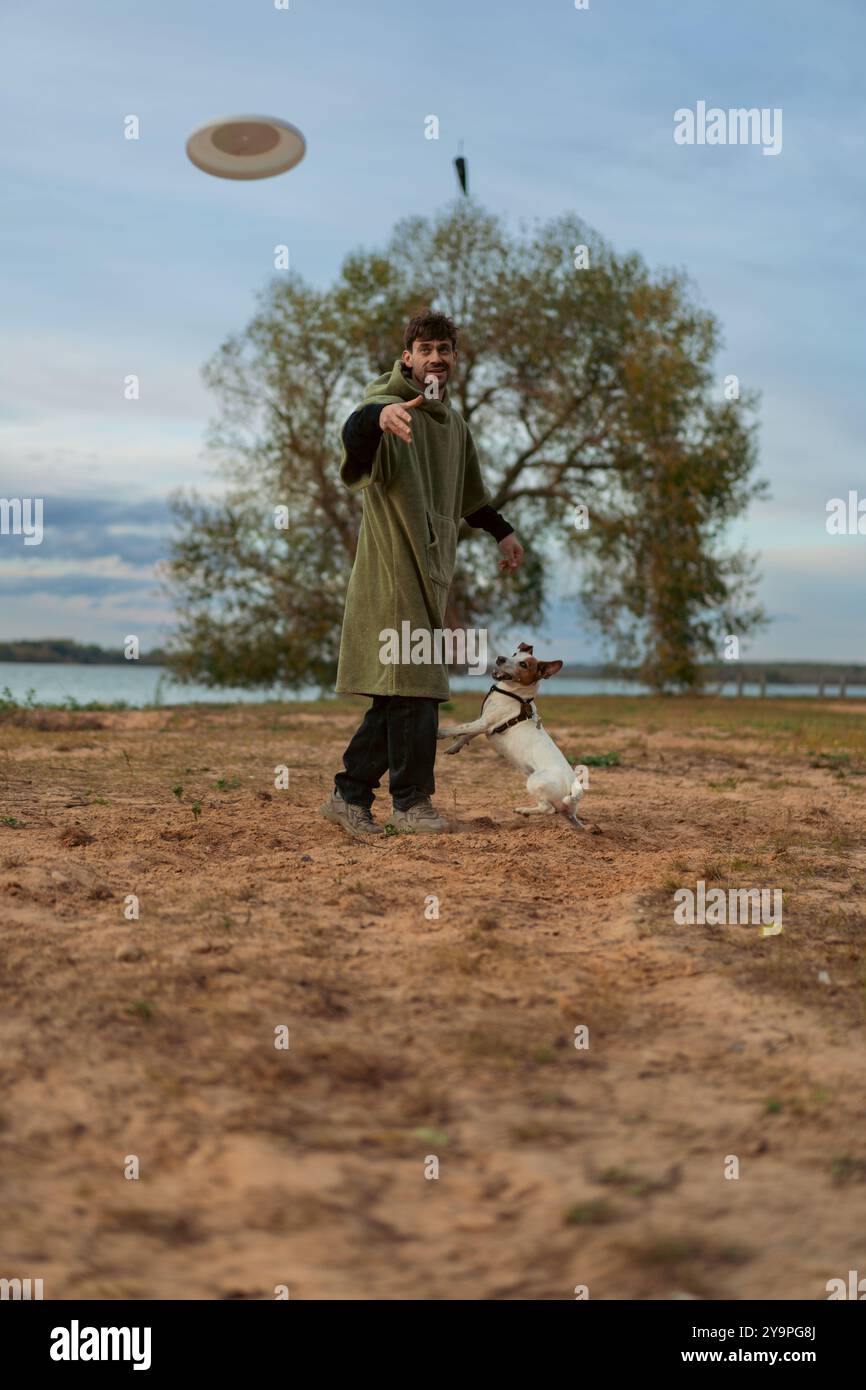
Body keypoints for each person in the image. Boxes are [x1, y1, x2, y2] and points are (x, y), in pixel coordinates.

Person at [320, 308, 524, 839]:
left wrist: (502, 531)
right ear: (407, 356)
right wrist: (379, 420)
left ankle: (348, 795)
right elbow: (357, 430)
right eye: (425, 349)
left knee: (401, 691)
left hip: (432, 571)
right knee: (418, 683)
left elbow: (468, 497)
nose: (436, 358)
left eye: (445, 349)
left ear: (455, 359)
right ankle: (411, 804)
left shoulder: (453, 425)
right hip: (391, 571)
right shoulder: (388, 403)